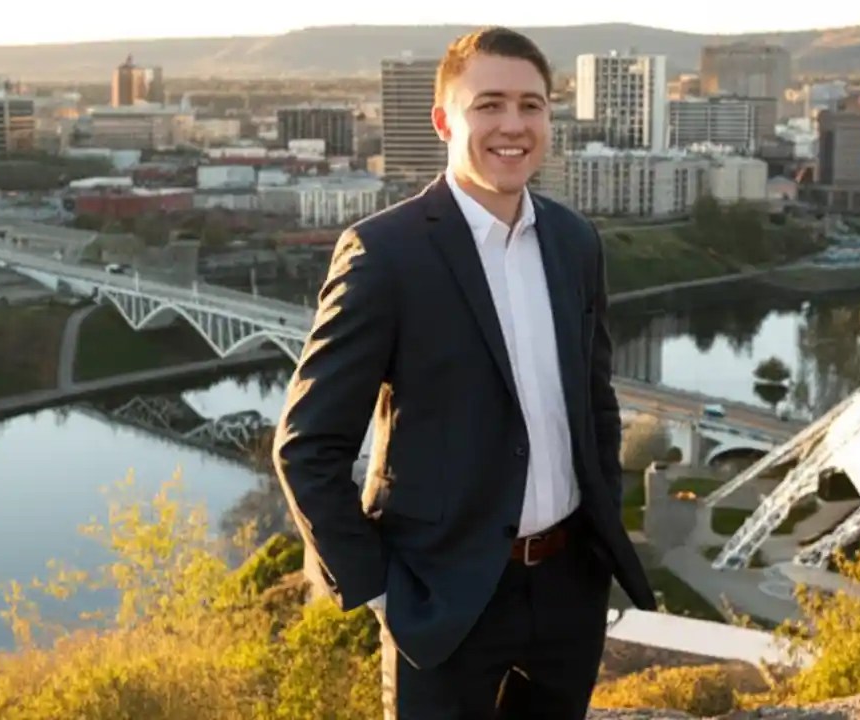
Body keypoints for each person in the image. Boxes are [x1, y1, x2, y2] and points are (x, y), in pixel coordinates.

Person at [272, 26, 656, 720]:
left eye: (531, 106)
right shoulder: (384, 255)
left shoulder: (574, 241)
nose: (513, 126)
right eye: (490, 105)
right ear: (446, 119)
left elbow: (594, 402)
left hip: (568, 587)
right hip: (441, 597)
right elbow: (306, 447)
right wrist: (383, 591)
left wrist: (598, 534)